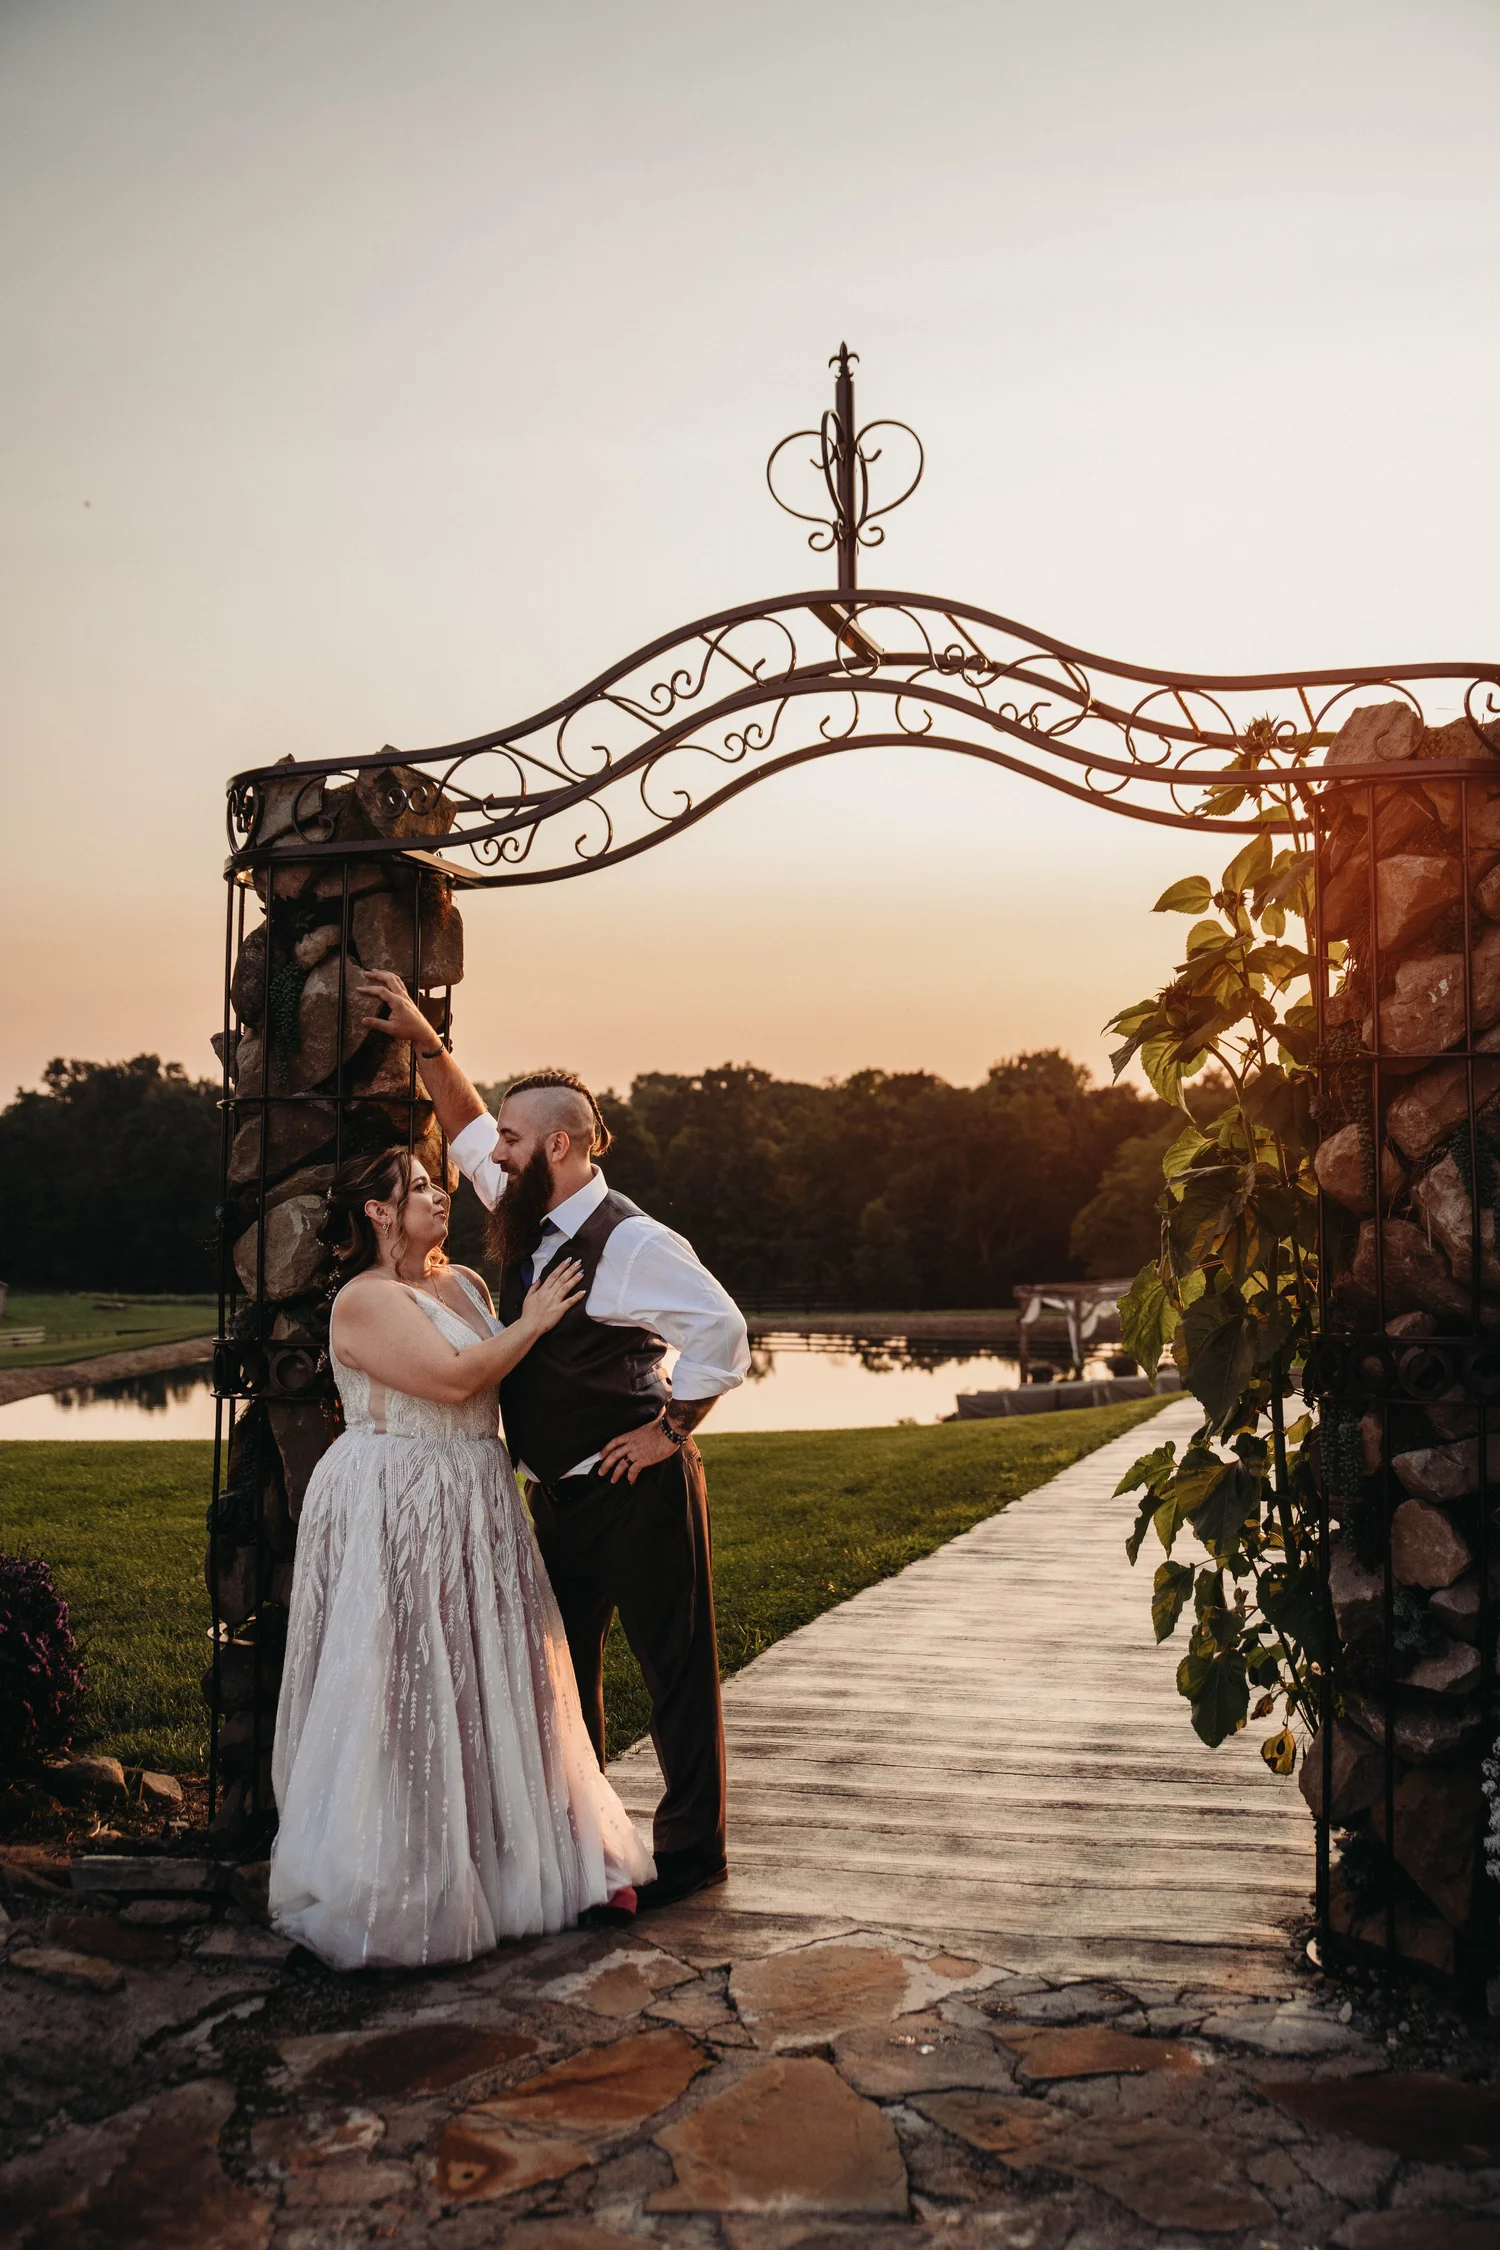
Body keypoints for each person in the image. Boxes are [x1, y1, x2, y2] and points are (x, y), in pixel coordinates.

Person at [357, 968, 750, 1910]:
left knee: (677, 1676)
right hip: (558, 1497)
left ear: (561, 1145)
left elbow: (724, 1335)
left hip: (637, 1488)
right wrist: (424, 1038)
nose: (496, 1148)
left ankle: (693, 1860)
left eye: (516, 1135)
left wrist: (667, 1433)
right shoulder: (523, 1203)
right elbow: (460, 1125)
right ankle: (588, 1857)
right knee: (562, 1684)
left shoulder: (634, 1241)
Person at [268, 1144, 654, 1971]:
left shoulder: (468, 1284)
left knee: (499, 1668)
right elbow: (449, 1382)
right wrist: (536, 1321)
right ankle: (407, 1880)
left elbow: (504, 1386)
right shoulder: (362, 1302)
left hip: (475, 1492)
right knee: (405, 1671)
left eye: (435, 1184)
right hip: (398, 1497)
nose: (438, 1197)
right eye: (415, 1189)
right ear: (377, 1213)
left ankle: (534, 1861)